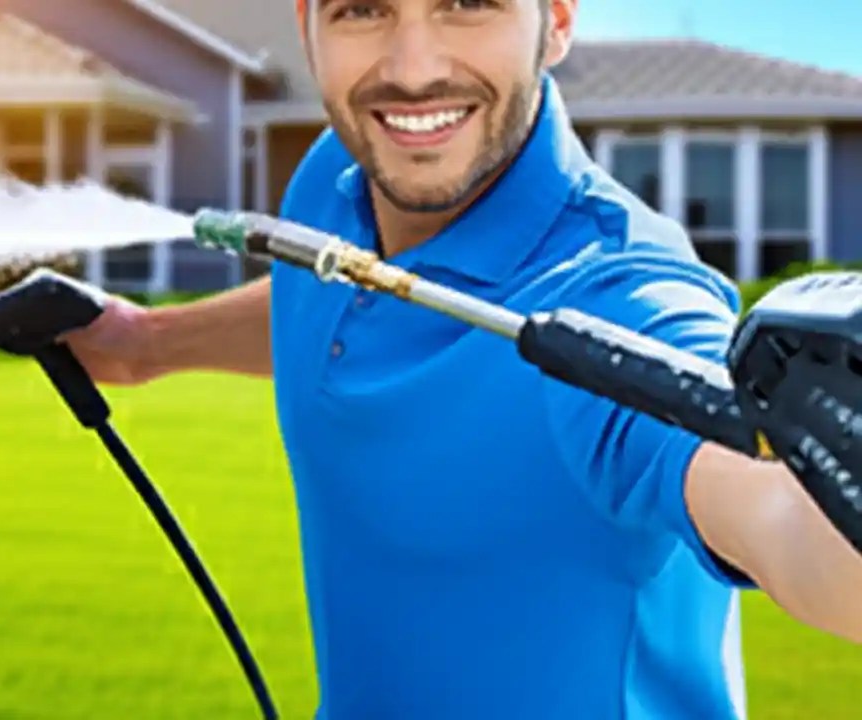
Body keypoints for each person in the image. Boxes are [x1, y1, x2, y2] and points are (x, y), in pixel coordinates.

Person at [60, 1, 862, 717]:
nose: (412, 72)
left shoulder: (619, 299)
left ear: (558, 19)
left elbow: (783, 524)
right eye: (363, 10)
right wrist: (145, 343)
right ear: (307, 23)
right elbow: (344, 299)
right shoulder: (338, 186)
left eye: (468, 3)